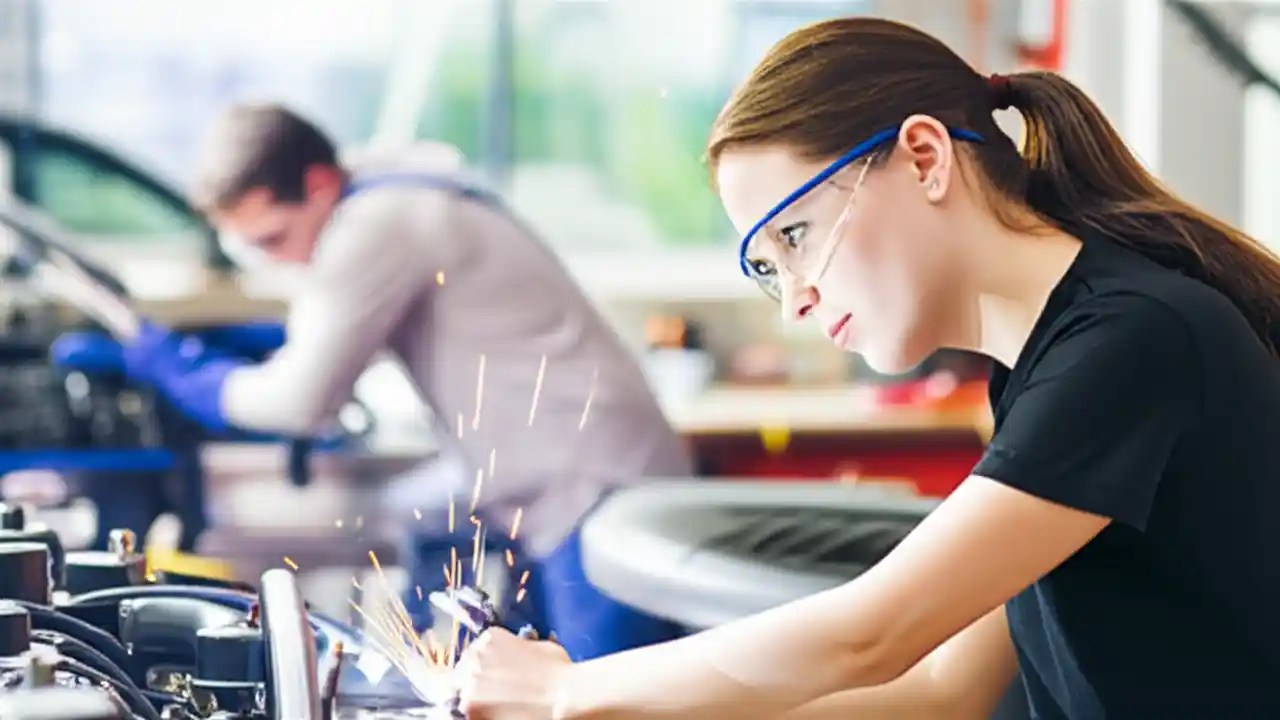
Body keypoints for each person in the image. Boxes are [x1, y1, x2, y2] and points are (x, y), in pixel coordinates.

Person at [456, 16, 1280, 720]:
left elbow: (869, 634)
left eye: (799, 236)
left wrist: (571, 692)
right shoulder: (1039, 367)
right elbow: (940, 686)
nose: (796, 302)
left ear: (924, 157)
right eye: (769, 269)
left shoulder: (1131, 342)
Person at [120, 103, 693, 660]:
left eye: (273, 239)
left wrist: (179, 372)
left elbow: (299, 403)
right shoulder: (391, 197)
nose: (274, 261)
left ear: (318, 184)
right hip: (575, 489)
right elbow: (335, 329)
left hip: (593, 494)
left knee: (610, 705)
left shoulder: (380, 223)